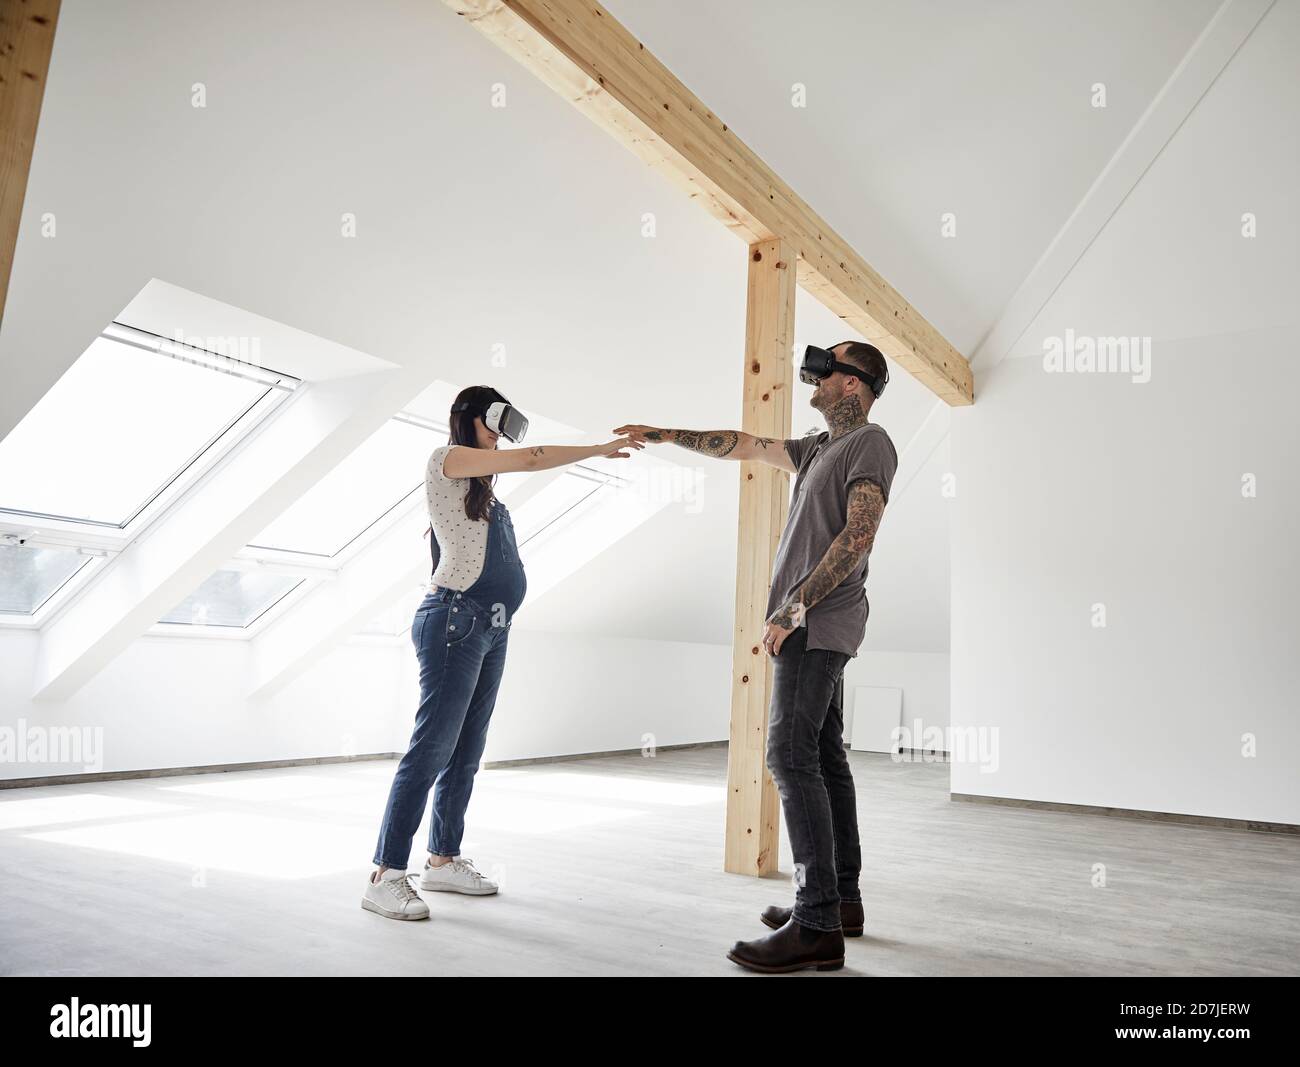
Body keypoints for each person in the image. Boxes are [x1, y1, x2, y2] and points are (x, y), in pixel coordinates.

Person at [616, 341, 897, 973]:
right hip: (813, 623)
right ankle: (840, 901)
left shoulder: (869, 443)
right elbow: (743, 444)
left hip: (814, 624)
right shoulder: (818, 448)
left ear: (855, 386)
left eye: (827, 373)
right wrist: (663, 433)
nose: (814, 382)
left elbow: (859, 536)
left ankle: (816, 920)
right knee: (823, 758)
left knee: (788, 757)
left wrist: (792, 608)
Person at [364, 385, 642, 920]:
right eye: (495, 421)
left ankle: (441, 861)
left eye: (506, 424)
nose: (500, 435)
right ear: (466, 419)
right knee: (432, 749)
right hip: (454, 620)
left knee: (467, 752)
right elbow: (534, 458)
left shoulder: (488, 495)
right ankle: (385, 874)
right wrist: (595, 450)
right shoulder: (445, 461)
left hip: (492, 627)